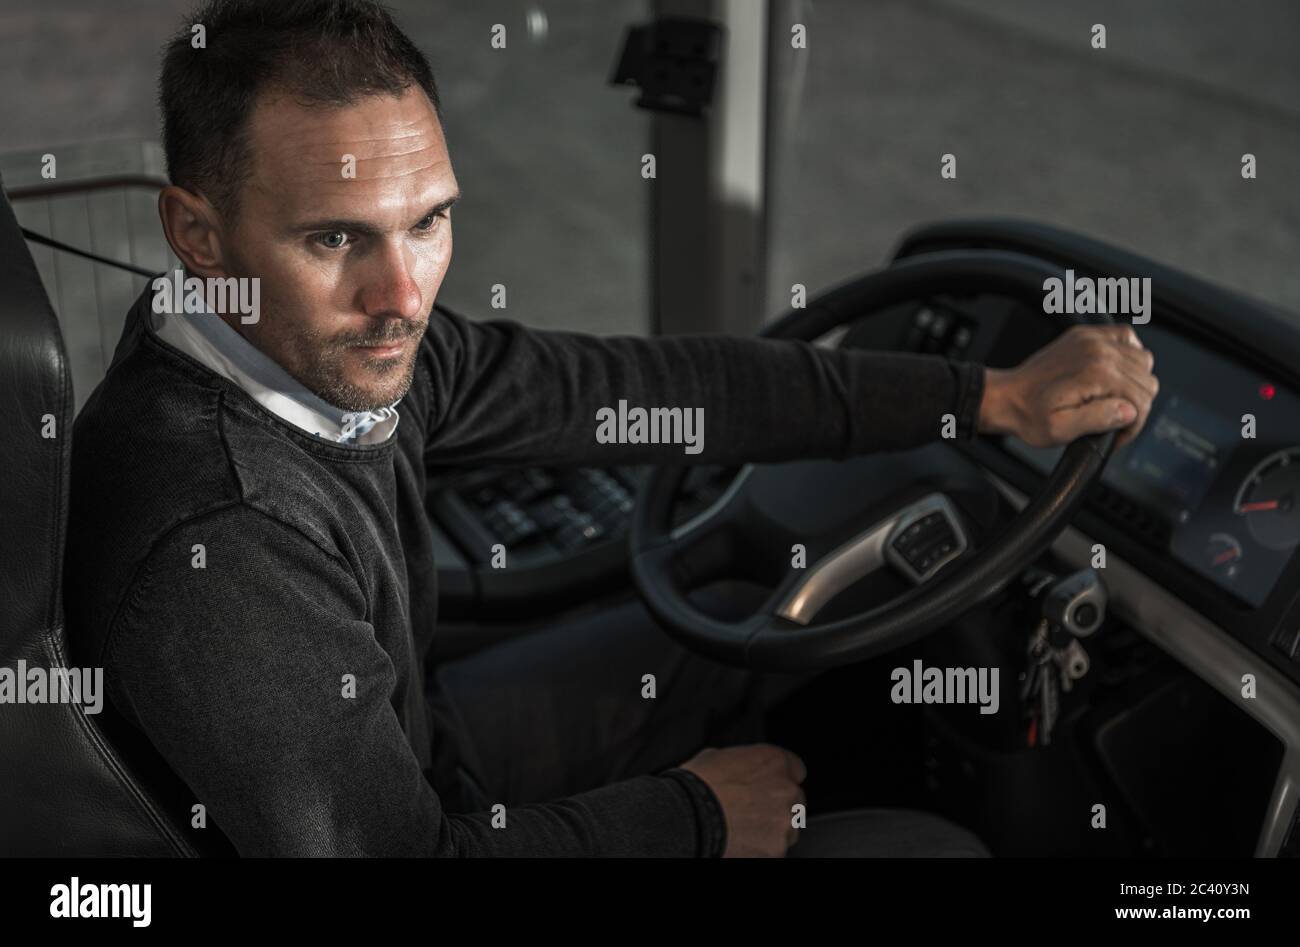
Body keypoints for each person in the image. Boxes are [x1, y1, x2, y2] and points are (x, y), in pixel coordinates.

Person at [65, 0, 1158, 857]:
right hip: (416, 822)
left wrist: (984, 396)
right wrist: (698, 817)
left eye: (429, 220)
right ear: (196, 233)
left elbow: (636, 385)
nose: (403, 296)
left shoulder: (292, 341)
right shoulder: (224, 544)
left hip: (418, 746)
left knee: (732, 616)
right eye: (334, 239)